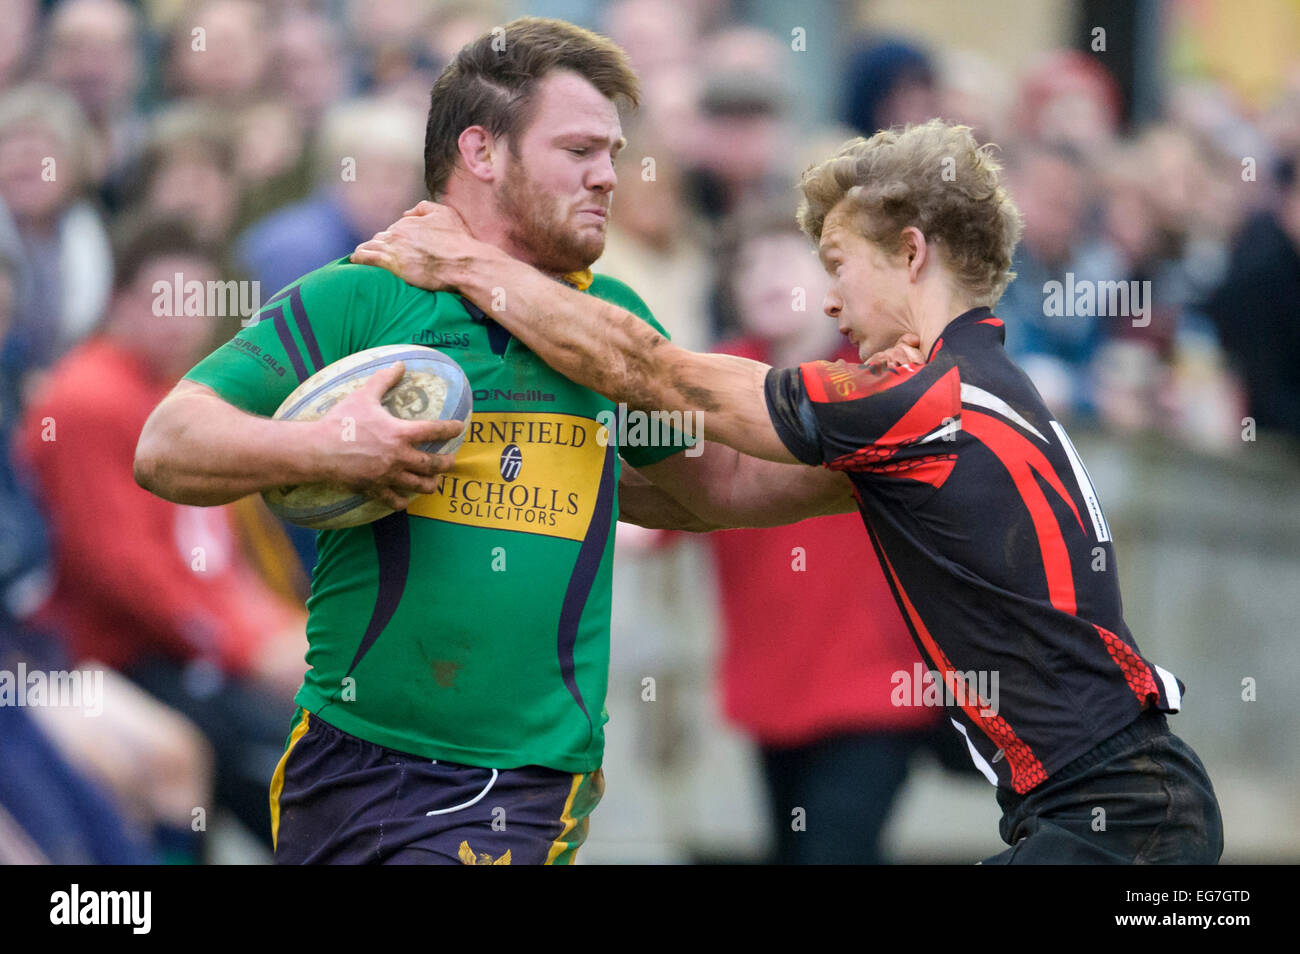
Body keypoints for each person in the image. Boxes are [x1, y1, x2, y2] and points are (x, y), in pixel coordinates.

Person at [353, 118, 1225, 864]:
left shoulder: (925, 398)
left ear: (911, 253)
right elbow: (720, 489)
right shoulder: (965, 386)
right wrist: (523, 463)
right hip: (1118, 811)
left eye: (840, 264)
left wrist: (473, 267)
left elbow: (654, 371)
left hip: (1118, 816)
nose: (833, 301)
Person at [135, 17, 854, 866]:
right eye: (580, 150)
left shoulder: (608, 324)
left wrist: (883, 474)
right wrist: (328, 448)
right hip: (343, 754)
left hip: (516, 783)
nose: (609, 177)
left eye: (614, 153)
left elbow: (718, 485)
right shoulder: (365, 294)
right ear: (481, 151)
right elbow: (167, 442)